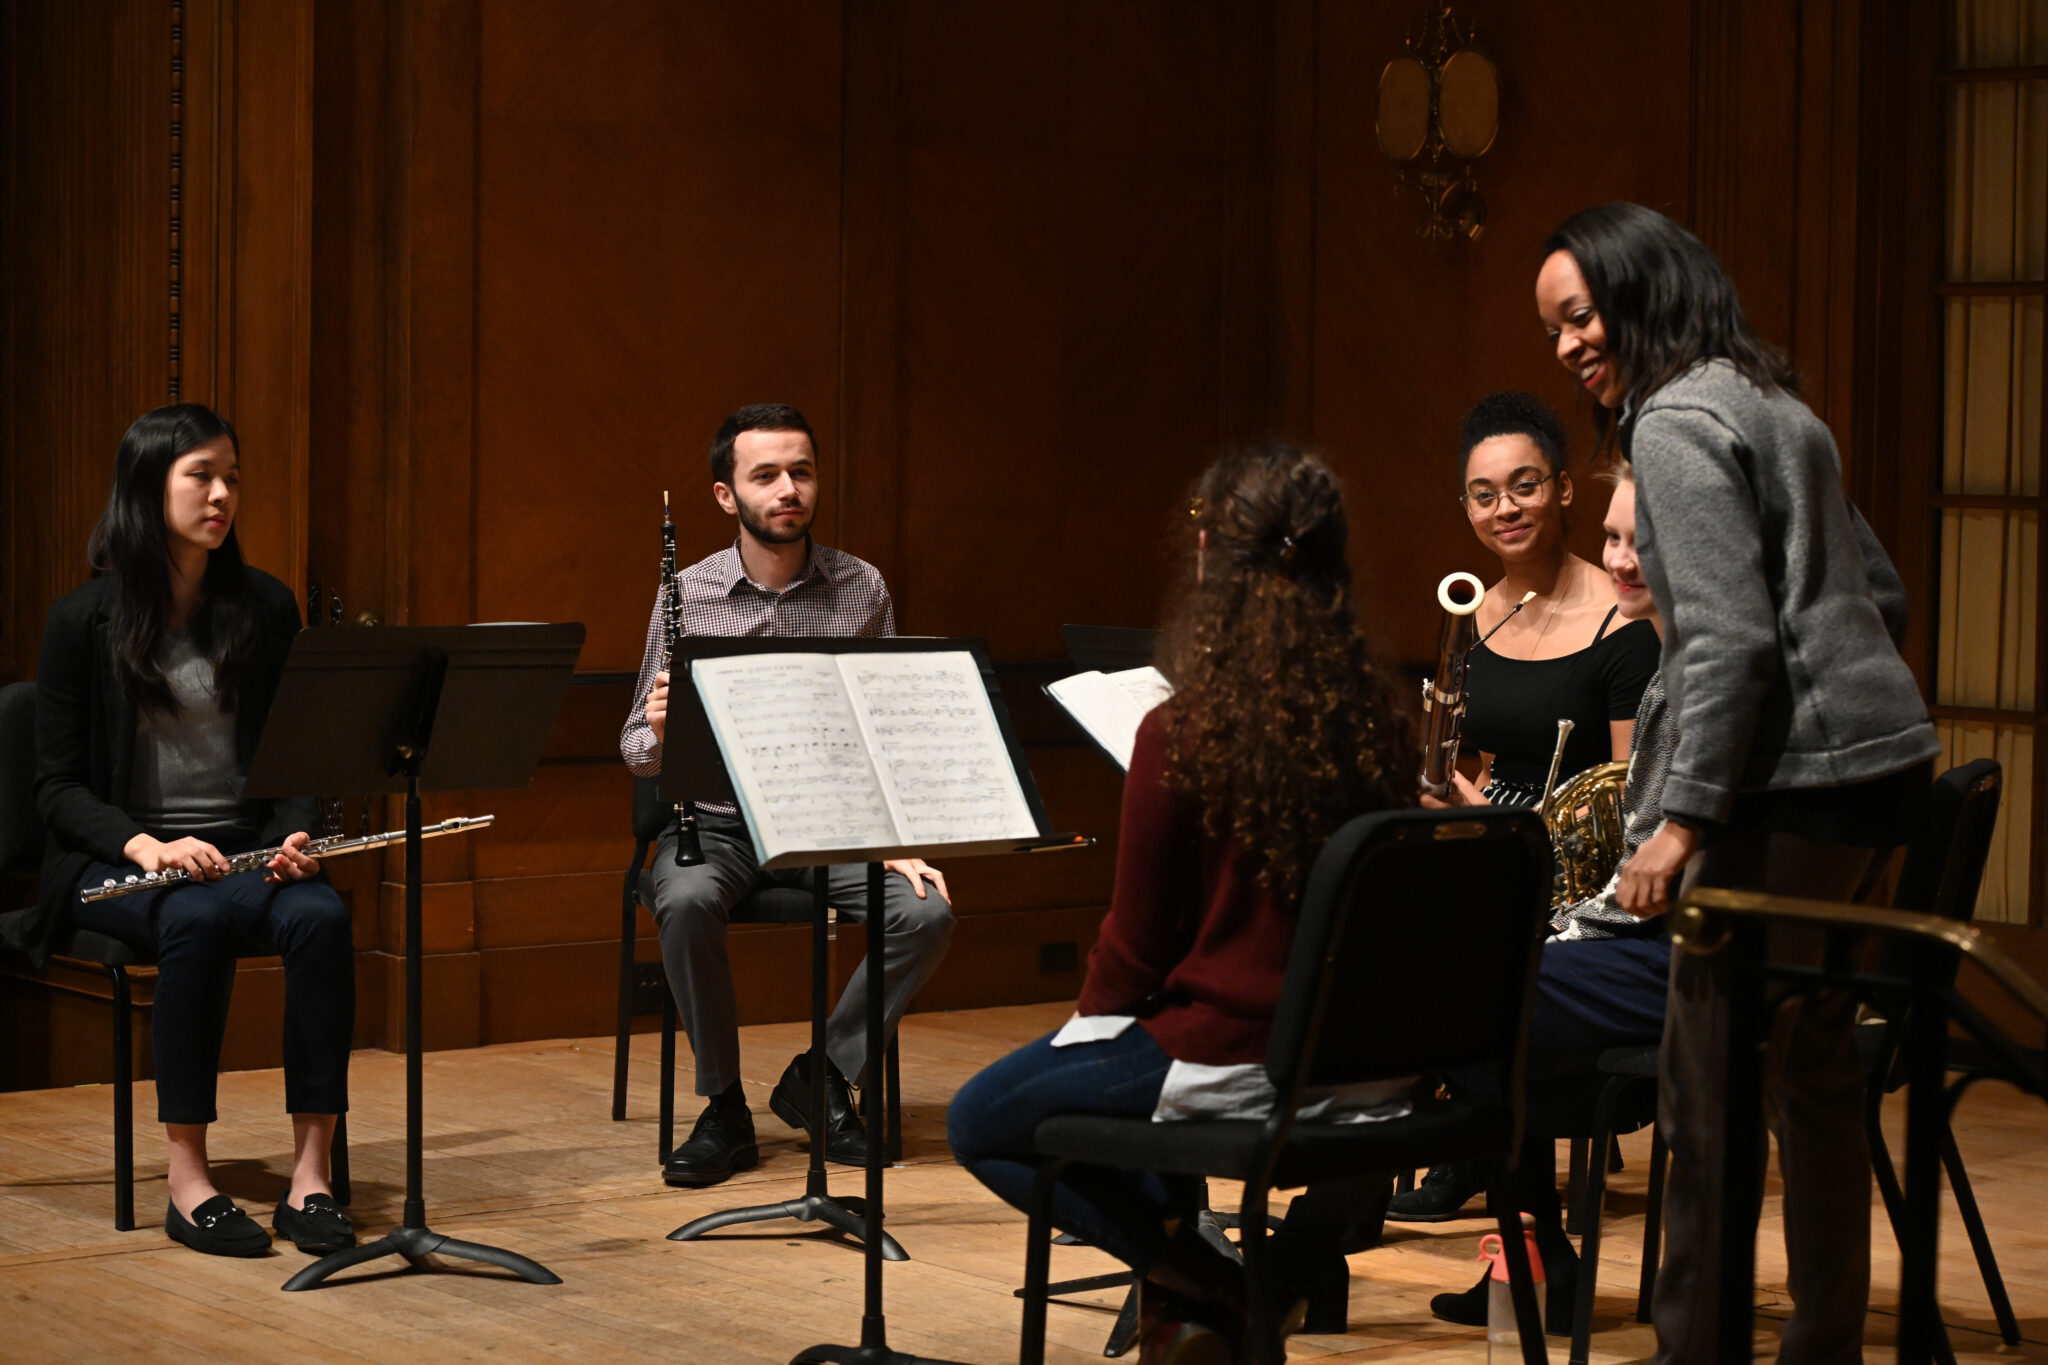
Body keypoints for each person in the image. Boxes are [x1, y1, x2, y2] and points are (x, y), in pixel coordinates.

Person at [1537, 202, 1938, 1365]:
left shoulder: (1670, 422)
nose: (1566, 345)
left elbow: (1724, 643)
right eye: (1552, 329)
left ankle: (1692, 1353)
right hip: (1879, 772)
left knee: (1702, 1088)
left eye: (1579, 314)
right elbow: (1881, 594)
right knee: (1810, 1068)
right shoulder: (1767, 400)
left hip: (1793, 793)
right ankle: (1820, 1346)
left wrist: (1676, 819)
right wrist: (1845, 688)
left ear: (1641, 289)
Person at [947, 445, 1415, 1361]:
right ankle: (1200, 1301)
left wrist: (1087, 1032)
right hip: (1358, 1062)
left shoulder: (1183, 730)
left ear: (1209, 564)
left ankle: (1208, 1280)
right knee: (1120, 1072)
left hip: (1236, 1055)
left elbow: (1134, 945)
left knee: (982, 1119)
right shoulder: (1381, 724)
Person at [33, 404, 354, 1258]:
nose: (222, 494)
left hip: (243, 851)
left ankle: (312, 1176)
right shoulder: (81, 622)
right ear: (148, 486)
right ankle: (188, 1177)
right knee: (196, 919)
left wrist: (293, 837)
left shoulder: (264, 605)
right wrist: (147, 845)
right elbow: (56, 788)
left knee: (321, 916)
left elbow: (295, 758)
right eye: (201, 476)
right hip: (120, 862)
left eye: (232, 478)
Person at [621, 402, 954, 1187]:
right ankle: (724, 1104)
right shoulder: (688, 594)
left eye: (800, 471)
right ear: (726, 495)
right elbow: (636, 748)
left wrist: (892, 836)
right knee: (688, 899)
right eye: (764, 474)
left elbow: (885, 734)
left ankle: (825, 1074)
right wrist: (664, 730)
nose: (787, 489)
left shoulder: (861, 587)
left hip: (828, 825)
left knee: (926, 911)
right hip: (717, 826)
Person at [1390, 390, 1659, 1222]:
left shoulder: (1626, 616)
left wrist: (1493, 822)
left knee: (1437, 948)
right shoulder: (1478, 612)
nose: (1504, 507)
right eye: (1483, 492)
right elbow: (1468, 759)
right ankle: (1401, 1137)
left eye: (1525, 484)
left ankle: (1463, 1135)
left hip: (1572, 859)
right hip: (1487, 832)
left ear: (1565, 489)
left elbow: (1623, 802)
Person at [1424, 462, 1676, 1333]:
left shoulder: (1689, 676)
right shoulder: (1681, 673)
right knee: (1455, 974)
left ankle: (1517, 1247)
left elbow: (1643, 864)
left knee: (1471, 998)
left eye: (1643, 542)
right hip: (1626, 928)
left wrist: (1560, 928)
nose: (1622, 561)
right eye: (1615, 538)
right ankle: (1531, 1258)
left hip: (1676, 954)